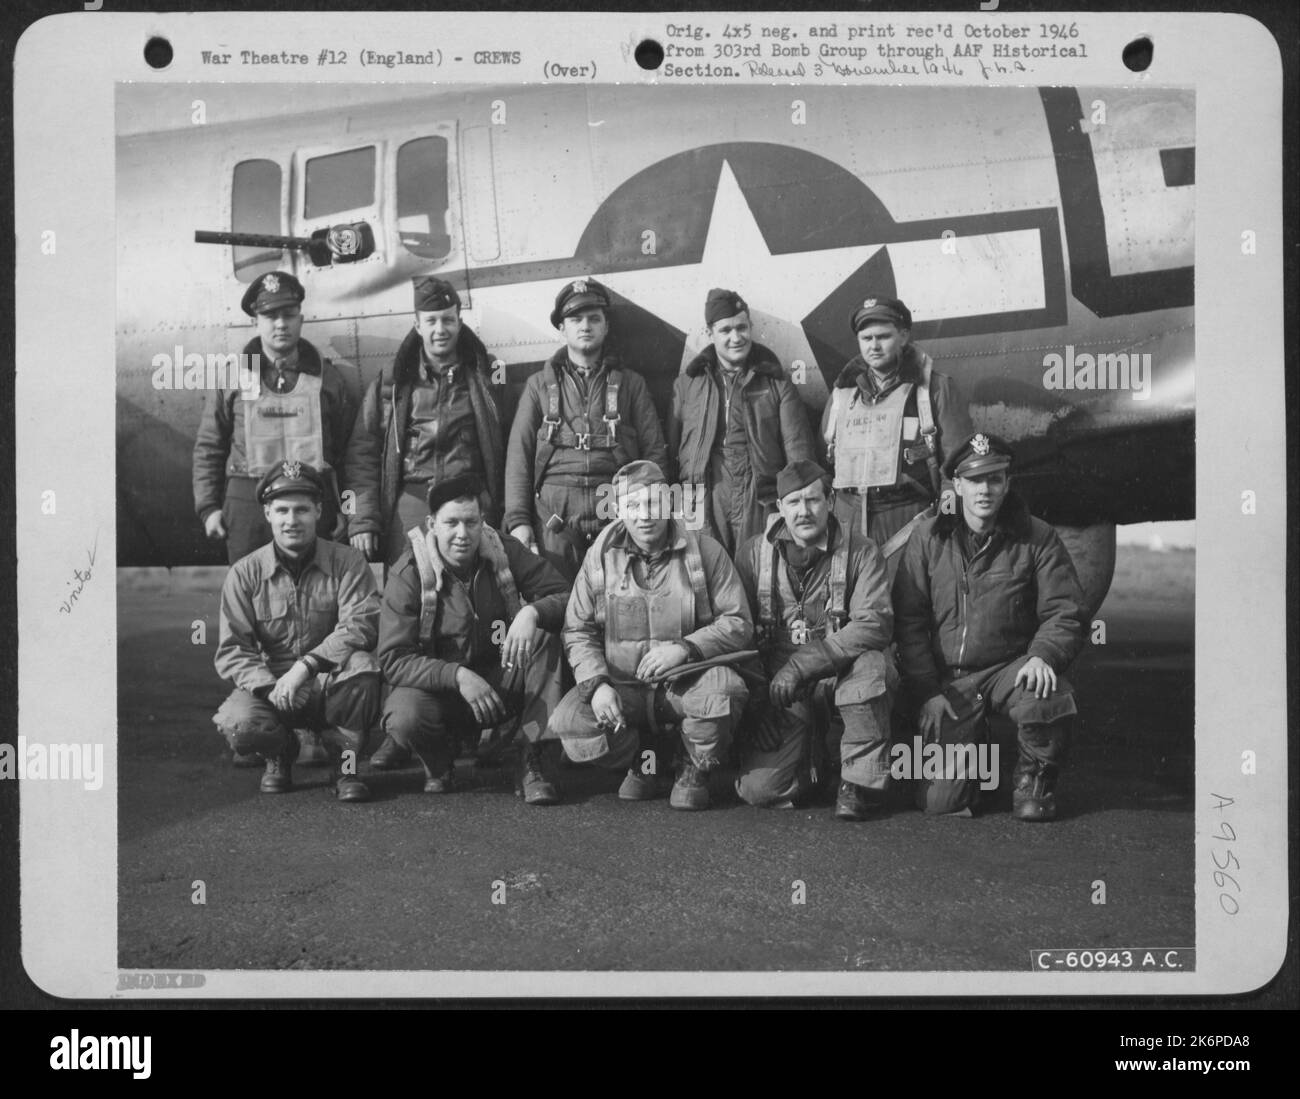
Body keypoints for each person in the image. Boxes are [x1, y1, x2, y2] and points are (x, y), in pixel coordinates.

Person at [892, 433, 1086, 820]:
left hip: (1006, 670)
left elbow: (1065, 611)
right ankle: (972, 752)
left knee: (1043, 690)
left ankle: (1035, 779)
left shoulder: (1038, 537)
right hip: (949, 682)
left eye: (995, 479)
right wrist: (927, 691)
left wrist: (1042, 655)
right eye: (975, 480)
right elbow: (909, 622)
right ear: (958, 485)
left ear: (1007, 483)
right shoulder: (927, 538)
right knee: (941, 804)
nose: (985, 490)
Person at [548, 460, 753, 810]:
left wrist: (686, 648)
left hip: (683, 684)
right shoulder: (599, 558)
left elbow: (738, 622)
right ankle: (644, 755)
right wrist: (596, 685)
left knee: (725, 691)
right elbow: (578, 629)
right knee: (571, 722)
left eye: (654, 503)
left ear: (669, 504)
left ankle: (693, 763)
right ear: (618, 509)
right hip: (624, 688)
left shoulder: (705, 552)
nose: (645, 515)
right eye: (633, 505)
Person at [375, 474, 570, 804]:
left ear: (483, 523)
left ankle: (531, 754)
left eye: (471, 522)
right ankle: (440, 761)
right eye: (451, 523)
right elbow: (393, 659)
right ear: (431, 523)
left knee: (544, 639)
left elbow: (566, 595)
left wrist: (531, 613)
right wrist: (456, 676)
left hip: (500, 681)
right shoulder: (409, 571)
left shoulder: (505, 550)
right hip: (444, 692)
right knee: (405, 714)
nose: (462, 534)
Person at [211, 460, 381, 801]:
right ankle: (280, 754)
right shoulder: (245, 573)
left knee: (364, 668)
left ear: (318, 511)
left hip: (328, 678)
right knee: (237, 722)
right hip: (275, 685)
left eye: (302, 509)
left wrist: (305, 668)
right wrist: (272, 688)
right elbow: (233, 649)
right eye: (283, 510)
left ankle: (345, 766)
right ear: (267, 514)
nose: (292, 520)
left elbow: (360, 624)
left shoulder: (348, 562)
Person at [735, 460, 896, 819]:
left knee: (872, 667)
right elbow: (738, 632)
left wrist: (803, 663)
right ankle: (817, 764)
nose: (803, 511)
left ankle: (857, 781)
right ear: (779, 508)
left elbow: (874, 624)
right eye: (793, 502)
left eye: (812, 500)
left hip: (840, 673)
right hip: (782, 687)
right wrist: (759, 705)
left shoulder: (862, 552)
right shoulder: (752, 554)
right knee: (758, 790)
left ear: (831, 500)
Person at [503, 278, 667, 579]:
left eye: (594, 318)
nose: (585, 326)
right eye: (575, 319)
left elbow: (654, 454)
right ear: (562, 328)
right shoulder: (538, 387)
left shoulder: (631, 385)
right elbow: (518, 459)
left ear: (606, 326)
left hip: (616, 517)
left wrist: (649, 516)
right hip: (554, 521)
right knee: (556, 608)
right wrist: (518, 521)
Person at [193, 271, 357, 564]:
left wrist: (349, 511)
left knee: (316, 596)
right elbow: (209, 447)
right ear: (256, 321)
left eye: (289, 314)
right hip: (247, 506)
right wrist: (208, 508)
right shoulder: (233, 377)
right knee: (249, 596)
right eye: (270, 316)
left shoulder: (327, 378)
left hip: (309, 505)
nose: (281, 324)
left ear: (301, 319)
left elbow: (349, 454)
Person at [344, 276, 506, 568]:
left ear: (459, 321)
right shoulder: (392, 381)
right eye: (431, 321)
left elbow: (510, 445)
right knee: (405, 588)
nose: (440, 330)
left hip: (468, 498)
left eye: (448, 320)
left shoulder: (486, 374)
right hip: (413, 497)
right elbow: (362, 453)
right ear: (417, 325)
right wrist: (361, 518)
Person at [821, 296, 972, 568]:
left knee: (910, 603)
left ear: (903, 336)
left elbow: (959, 468)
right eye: (866, 338)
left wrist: (945, 523)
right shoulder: (841, 396)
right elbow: (825, 463)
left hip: (909, 520)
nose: (874, 346)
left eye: (883, 337)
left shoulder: (935, 390)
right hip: (849, 522)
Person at [667, 288, 816, 555]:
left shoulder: (776, 383)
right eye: (725, 330)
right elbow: (673, 452)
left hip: (759, 494)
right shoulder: (687, 385)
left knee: (758, 569)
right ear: (709, 333)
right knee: (706, 571)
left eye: (742, 327)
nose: (736, 338)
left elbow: (798, 451)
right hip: (703, 495)